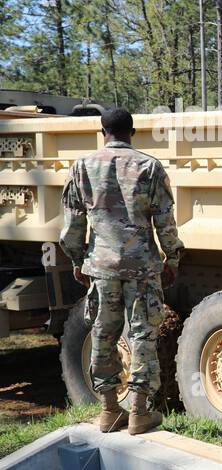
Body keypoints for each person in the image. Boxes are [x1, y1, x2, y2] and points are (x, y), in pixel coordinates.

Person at [59, 108, 184, 435]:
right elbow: (165, 221)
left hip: (101, 266)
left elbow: (73, 225)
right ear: (133, 132)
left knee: (103, 333)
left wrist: (77, 260)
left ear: (103, 132)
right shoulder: (150, 166)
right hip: (142, 268)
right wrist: (172, 258)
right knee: (143, 334)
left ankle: (109, 410)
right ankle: (139, 412)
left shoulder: (82, 167)